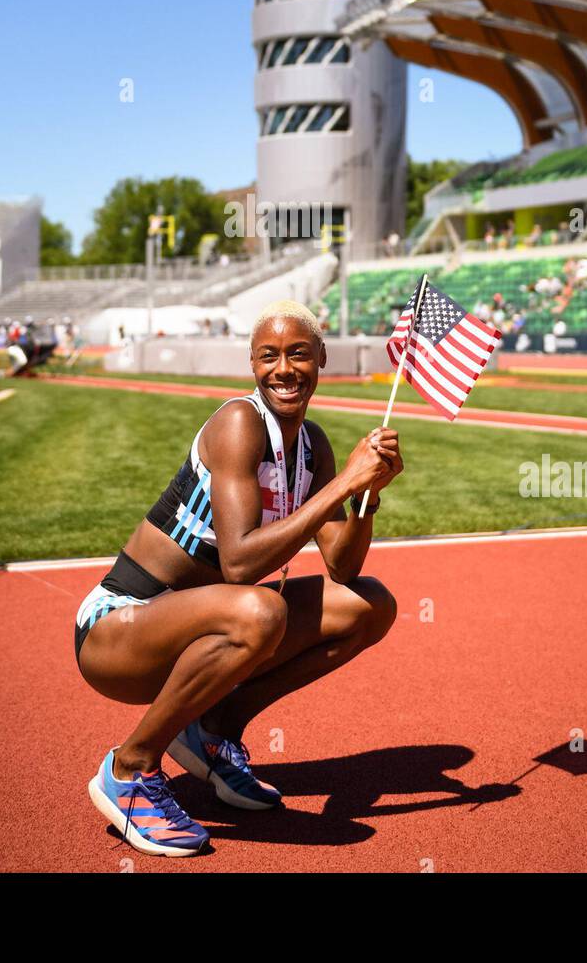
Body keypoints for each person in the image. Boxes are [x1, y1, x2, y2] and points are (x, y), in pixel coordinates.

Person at [74, 300, 403, 858]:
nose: (284, 369)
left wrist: (366, 498)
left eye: (299, 354)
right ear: (252, 365)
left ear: (321, 358)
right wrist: (342, 484)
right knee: (261, 608)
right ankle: (129, 769)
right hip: (118, 629)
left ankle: (213, 732)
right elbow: (241, 566)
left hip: (198, 630)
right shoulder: (238, 424)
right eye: (268, 356)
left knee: (368, 605)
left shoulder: (310, 446)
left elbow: (343, 569)